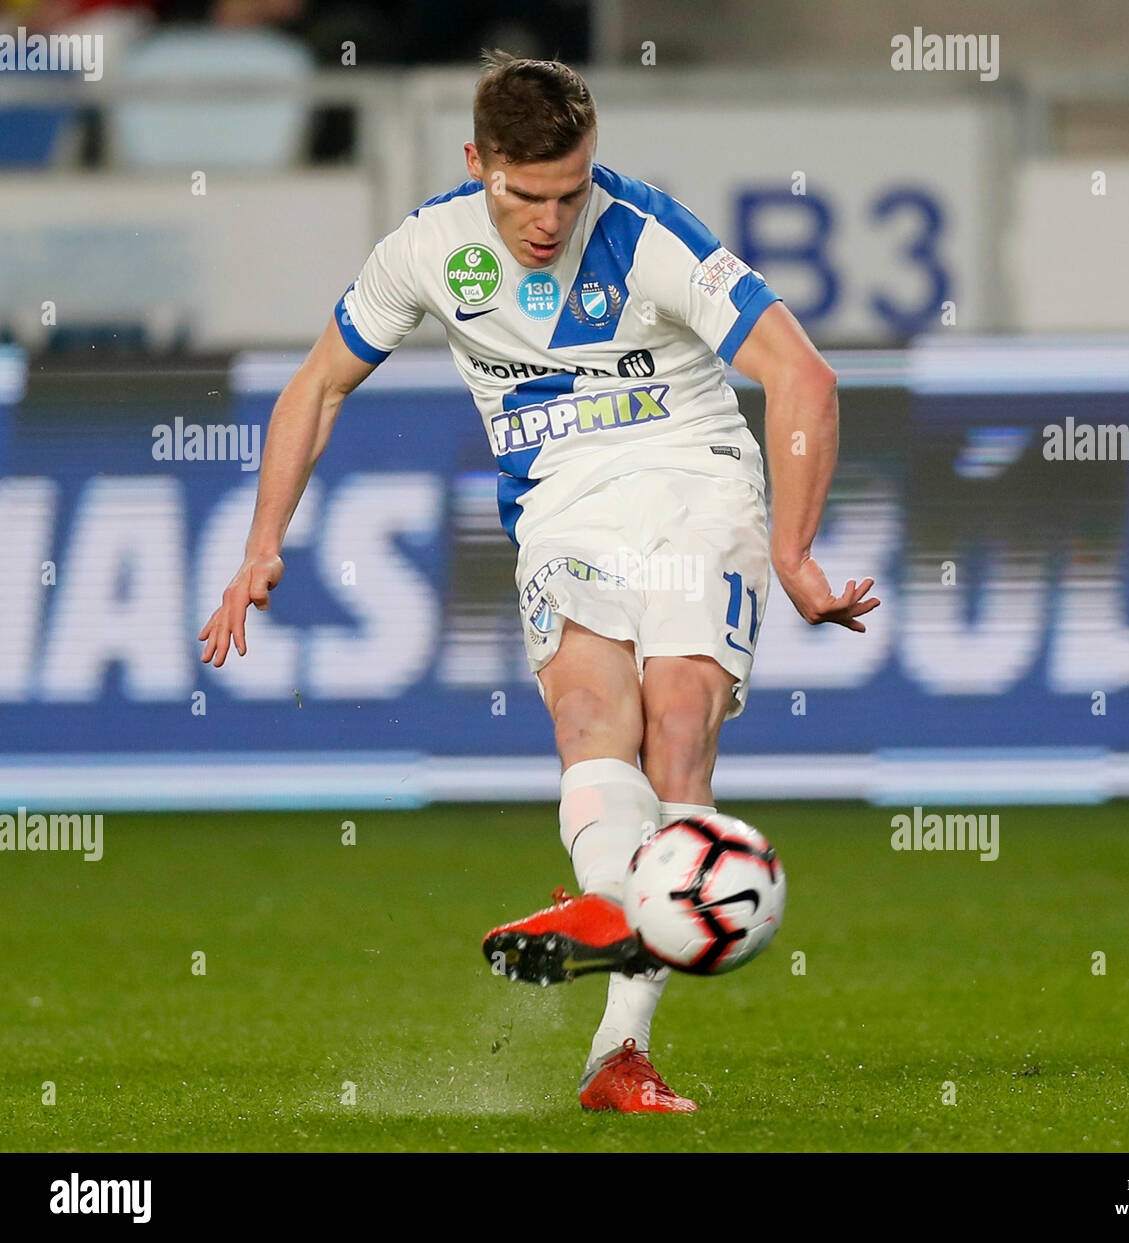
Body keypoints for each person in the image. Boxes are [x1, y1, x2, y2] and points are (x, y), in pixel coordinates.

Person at [198, 50, 879, 1113]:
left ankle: (621, 1032)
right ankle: (618, 946)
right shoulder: (425, 249)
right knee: (585, 719)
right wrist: (260, 543)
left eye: (570, 191)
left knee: (679, 719)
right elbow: (316, 386)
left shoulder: (647, 236)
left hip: (692, 480)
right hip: (561, 504)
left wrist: (793, 553)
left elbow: (804, 373)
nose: (550, 220)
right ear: (477, 164)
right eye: (524, 195)